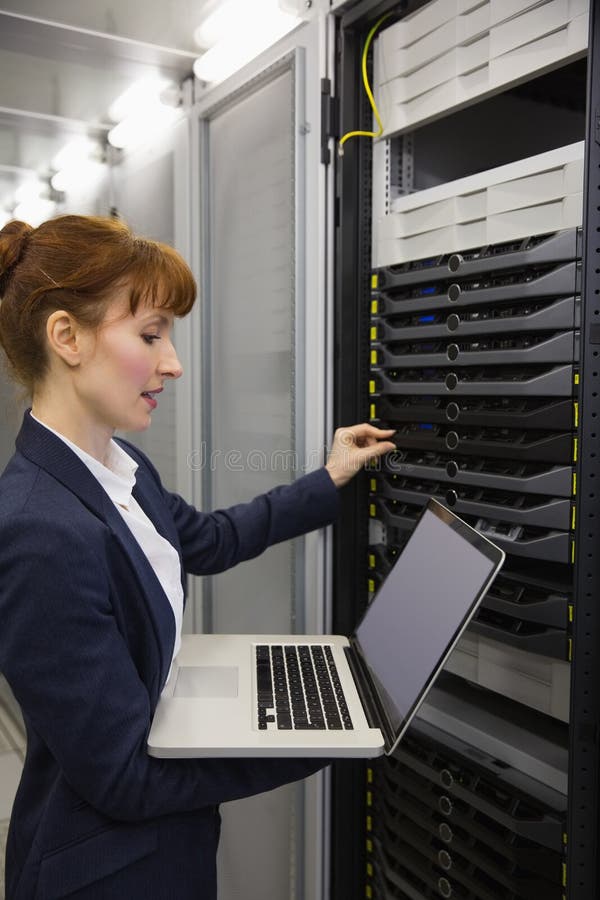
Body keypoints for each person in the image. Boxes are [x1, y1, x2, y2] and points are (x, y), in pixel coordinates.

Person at [0, 215, 395, 900]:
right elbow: (124, 777)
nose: (173, 362)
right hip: (105, 873)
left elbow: (207, 539)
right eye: (151, 335)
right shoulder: (38, 529)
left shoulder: (120, 469)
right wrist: (326, 738)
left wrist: (328, 479)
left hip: (162, 844)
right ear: (66, 336)